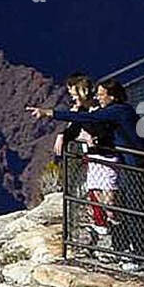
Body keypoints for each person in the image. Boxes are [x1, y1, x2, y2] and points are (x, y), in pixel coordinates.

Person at [29, 78, 144, 270]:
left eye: (102, 95)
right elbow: (92, 124)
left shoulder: (118, 111)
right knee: (140, 210)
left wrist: (51, 113)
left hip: (138, 166)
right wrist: (65, 133)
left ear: (112, 96)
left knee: (138, 211)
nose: (98, 98)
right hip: (137, 164)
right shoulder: (119, 111)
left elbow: (91, 119)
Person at [53, 74, 117, 242]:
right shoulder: (81, 111)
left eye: (74, 94)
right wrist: (63, 135)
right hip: (93, 157)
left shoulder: (101, 110)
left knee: (110, 198)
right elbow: (74, 129)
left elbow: (103, 131)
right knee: (94, 191)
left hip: (108, 157)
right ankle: (101, 223)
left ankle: (117, 222)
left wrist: (90, 136)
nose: (72, 98)